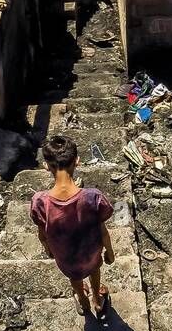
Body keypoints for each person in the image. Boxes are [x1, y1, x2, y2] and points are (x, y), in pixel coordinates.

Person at [31, 135, 115, 319]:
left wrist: (48, 249)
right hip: (91, 252)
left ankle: (83, 301)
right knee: (94, 270)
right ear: (77, 161)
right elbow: (103, 230)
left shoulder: (39, 202)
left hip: (65, 256)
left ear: (46, 166)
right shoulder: (94, 197)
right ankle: (97, 300)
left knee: (75, 277)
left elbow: (42, 234)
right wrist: (110, 251)